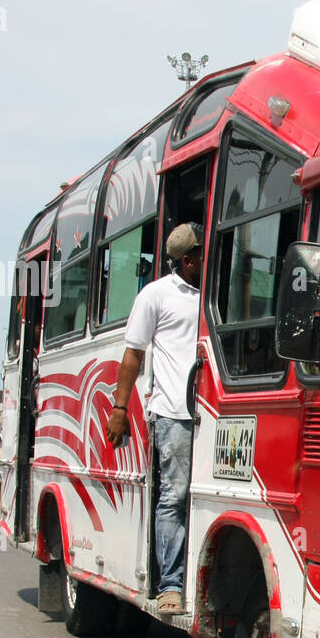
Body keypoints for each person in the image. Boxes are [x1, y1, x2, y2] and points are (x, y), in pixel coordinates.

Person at [106, 223, 202, 616]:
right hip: (173, 413)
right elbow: (133, 355)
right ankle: (171, 586)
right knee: (174, 498)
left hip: (210, 411)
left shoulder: (213, 295)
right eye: (202, 253)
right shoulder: (156, 295)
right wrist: (119, 408)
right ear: (188, 260)